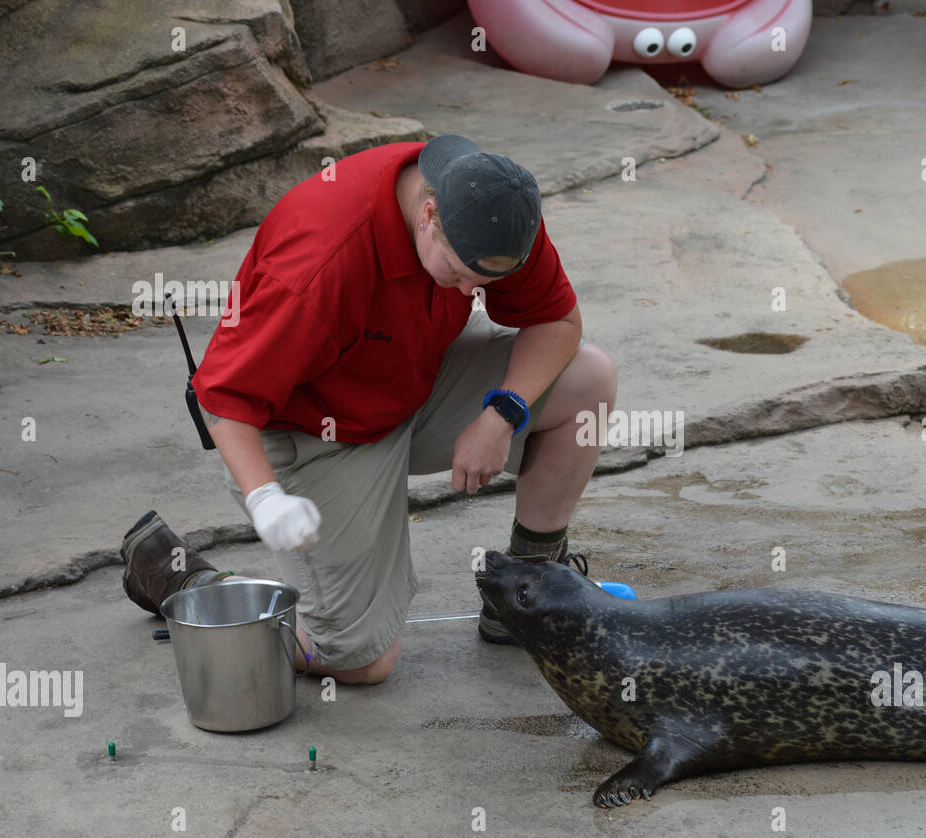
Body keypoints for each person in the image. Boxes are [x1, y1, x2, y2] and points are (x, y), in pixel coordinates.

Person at [120, 134, 617, 684]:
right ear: (429, 214)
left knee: (587, 380)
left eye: (487, 280)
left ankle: (525, 593)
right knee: (356, 659)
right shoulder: (322, 261)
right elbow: (225, 398)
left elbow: (558, 322)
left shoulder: (494, 205)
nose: (474, 289)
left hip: (412, 373)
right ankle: (191, 587)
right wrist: (266, 499)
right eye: (459, 273)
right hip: (314, 433)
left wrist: (504, 410)